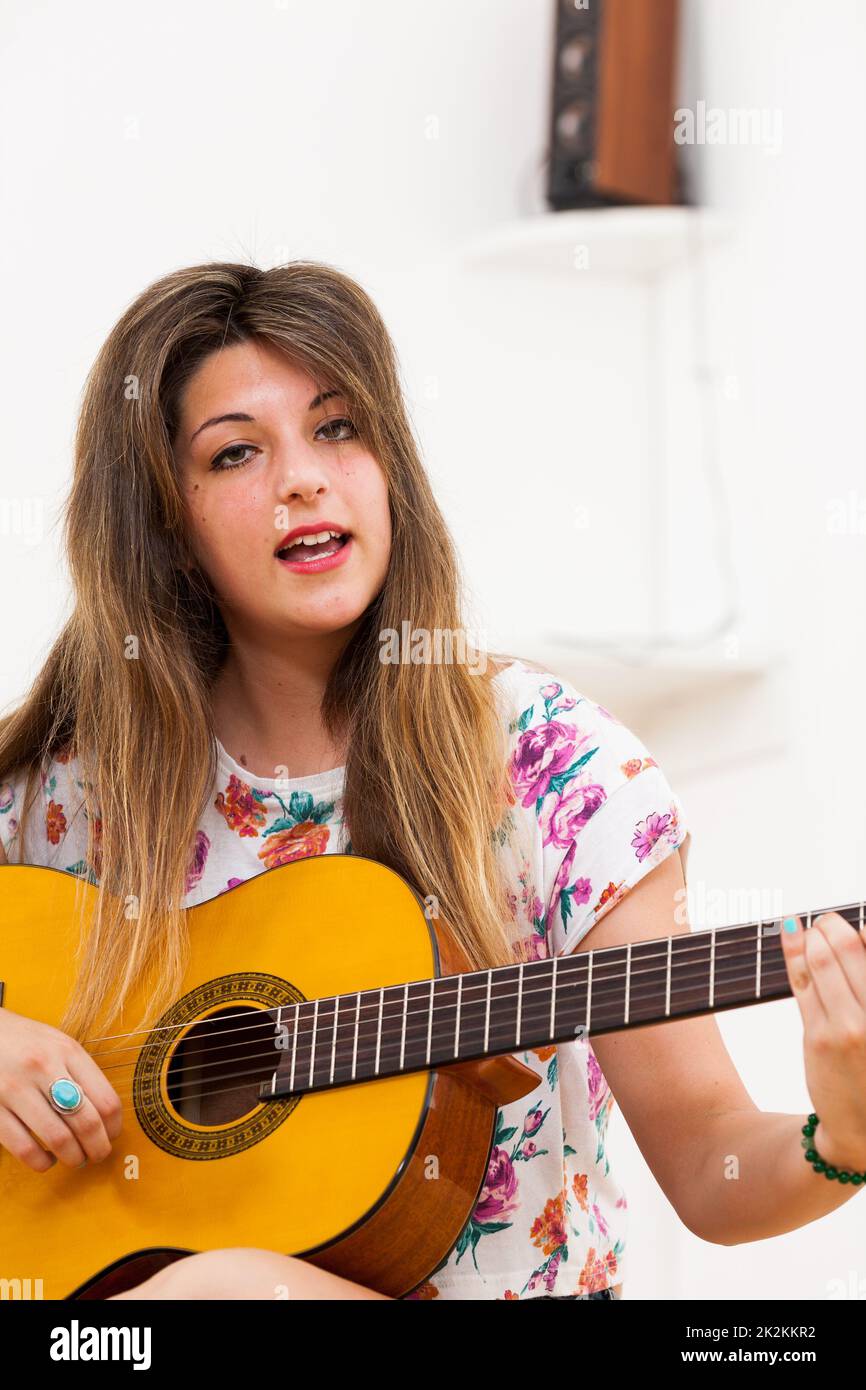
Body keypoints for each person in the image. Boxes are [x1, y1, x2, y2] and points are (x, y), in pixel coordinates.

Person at [1, 262, 865, 1303]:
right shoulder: (77, 791)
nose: (304, 478)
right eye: (237, 451)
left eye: (337, 428)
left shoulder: (554, 764)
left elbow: (713, 1168)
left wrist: (842, 1140)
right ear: (167, 528)